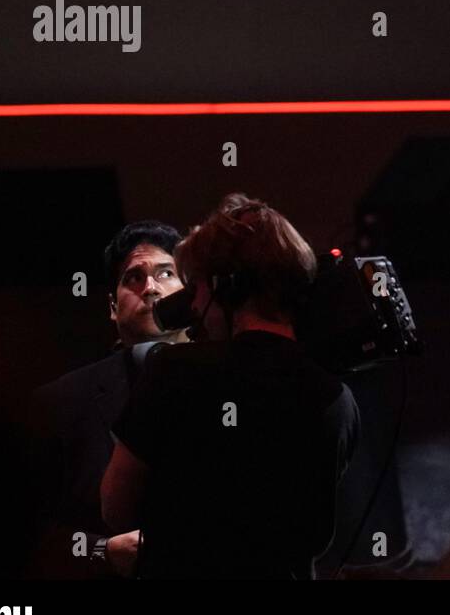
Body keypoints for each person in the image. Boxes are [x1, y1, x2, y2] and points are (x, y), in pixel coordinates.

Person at [101, 194, 358, 578]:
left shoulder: (174, 371)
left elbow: (116, 507)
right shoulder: (337, 397)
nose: (194, 303)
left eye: (198, 287)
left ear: (226, 288)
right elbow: (316, 533)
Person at [28, 220, 188, 577]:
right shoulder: (59, 404)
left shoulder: (234, 384)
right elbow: (26, 532)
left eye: (166, 273)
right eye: (134, 277)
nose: (150, 288)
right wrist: (101, 550)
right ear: (113, 307)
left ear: (193, 296)